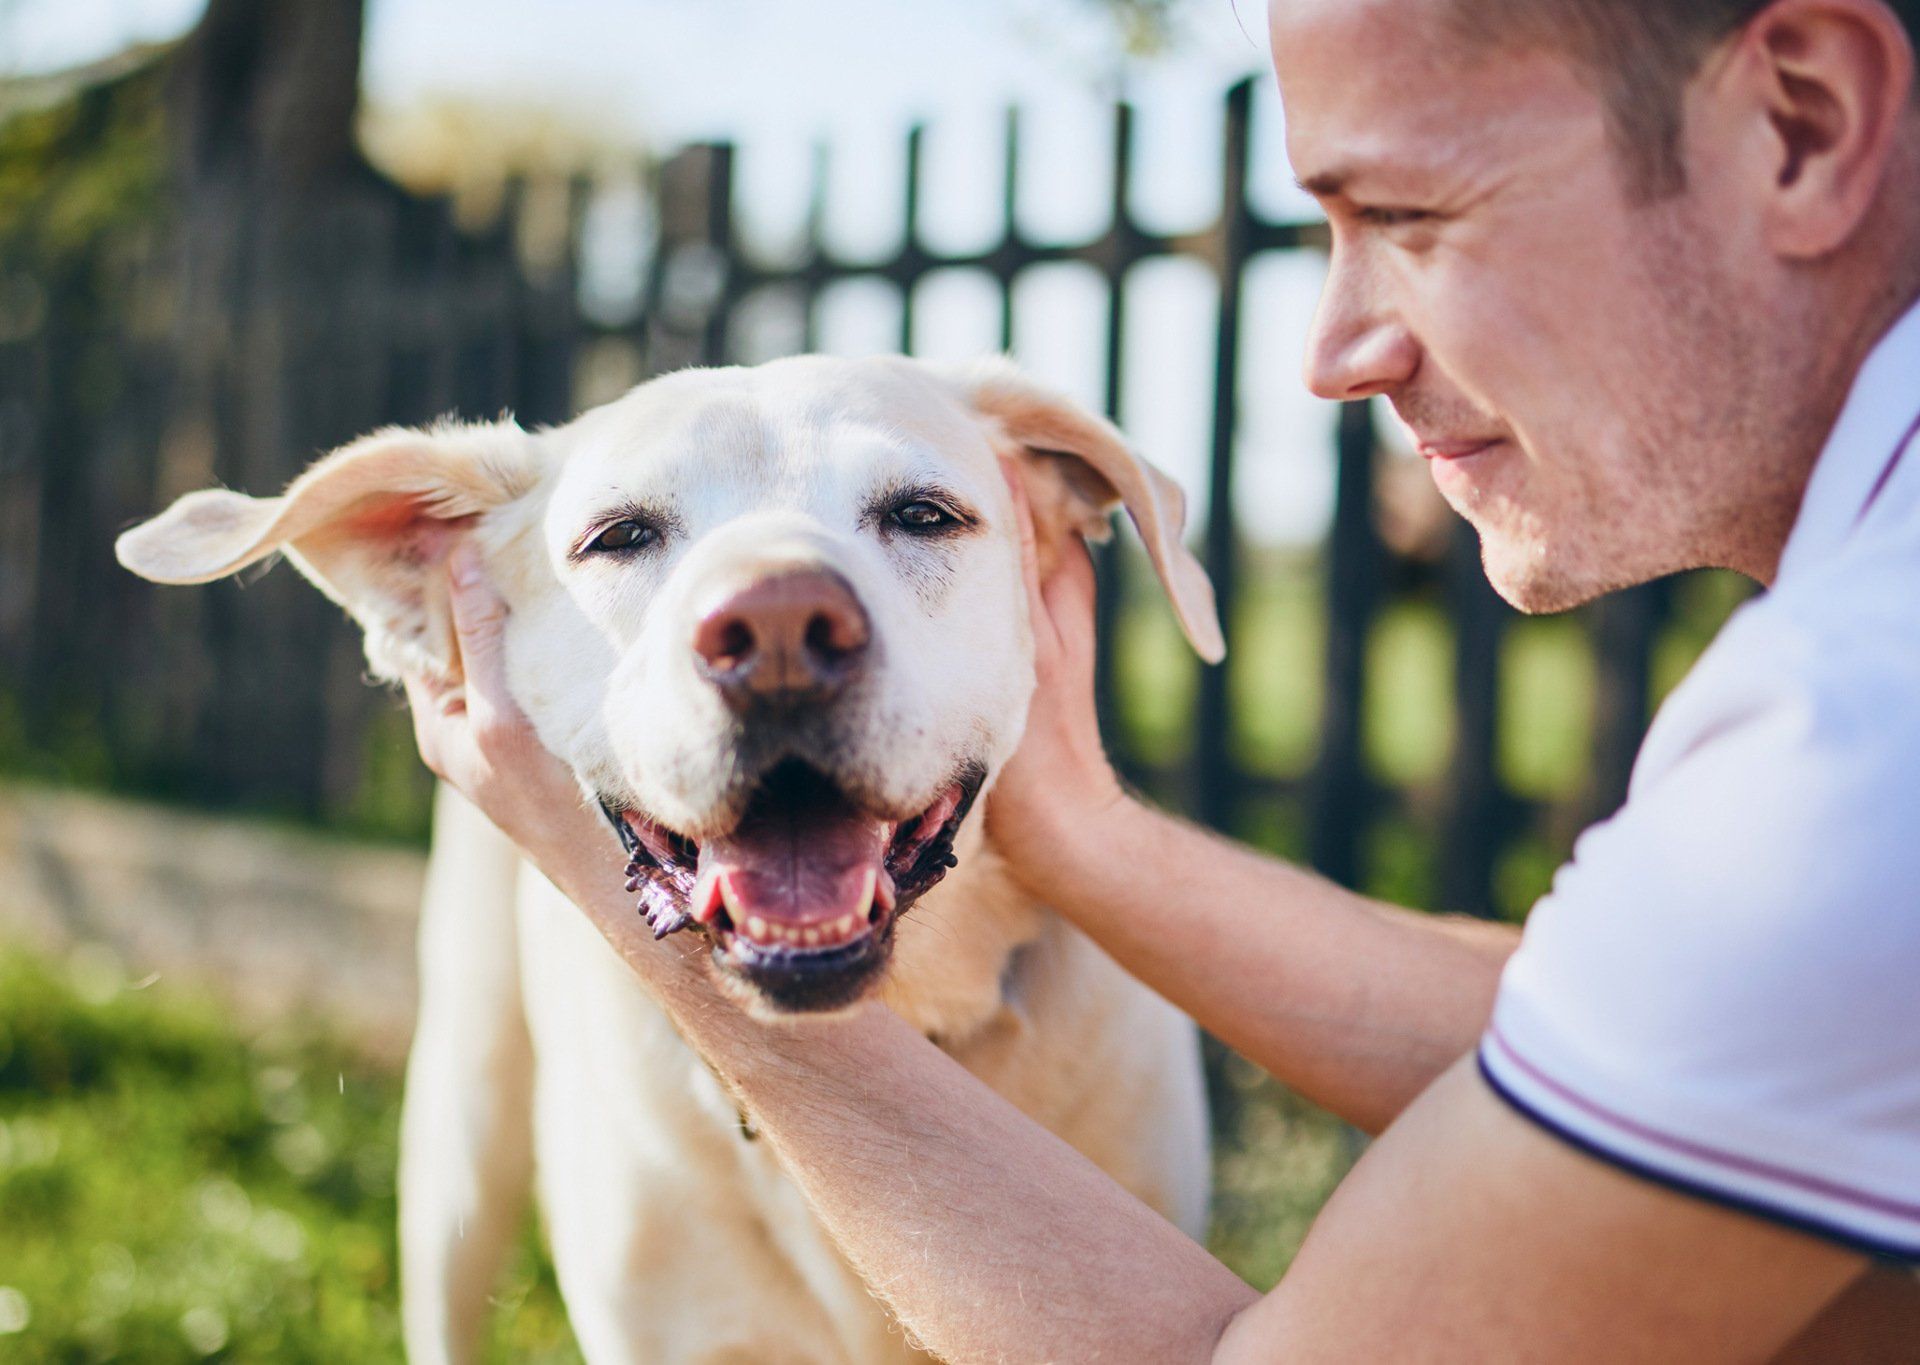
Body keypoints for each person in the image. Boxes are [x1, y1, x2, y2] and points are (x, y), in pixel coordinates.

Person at [402, 0, 1920, 1357]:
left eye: (1411, 214)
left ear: (1800, 124)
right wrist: (1084, 837)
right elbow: (1647, 1037)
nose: (1333, 353)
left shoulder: (1859, 740)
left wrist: (641, 913)